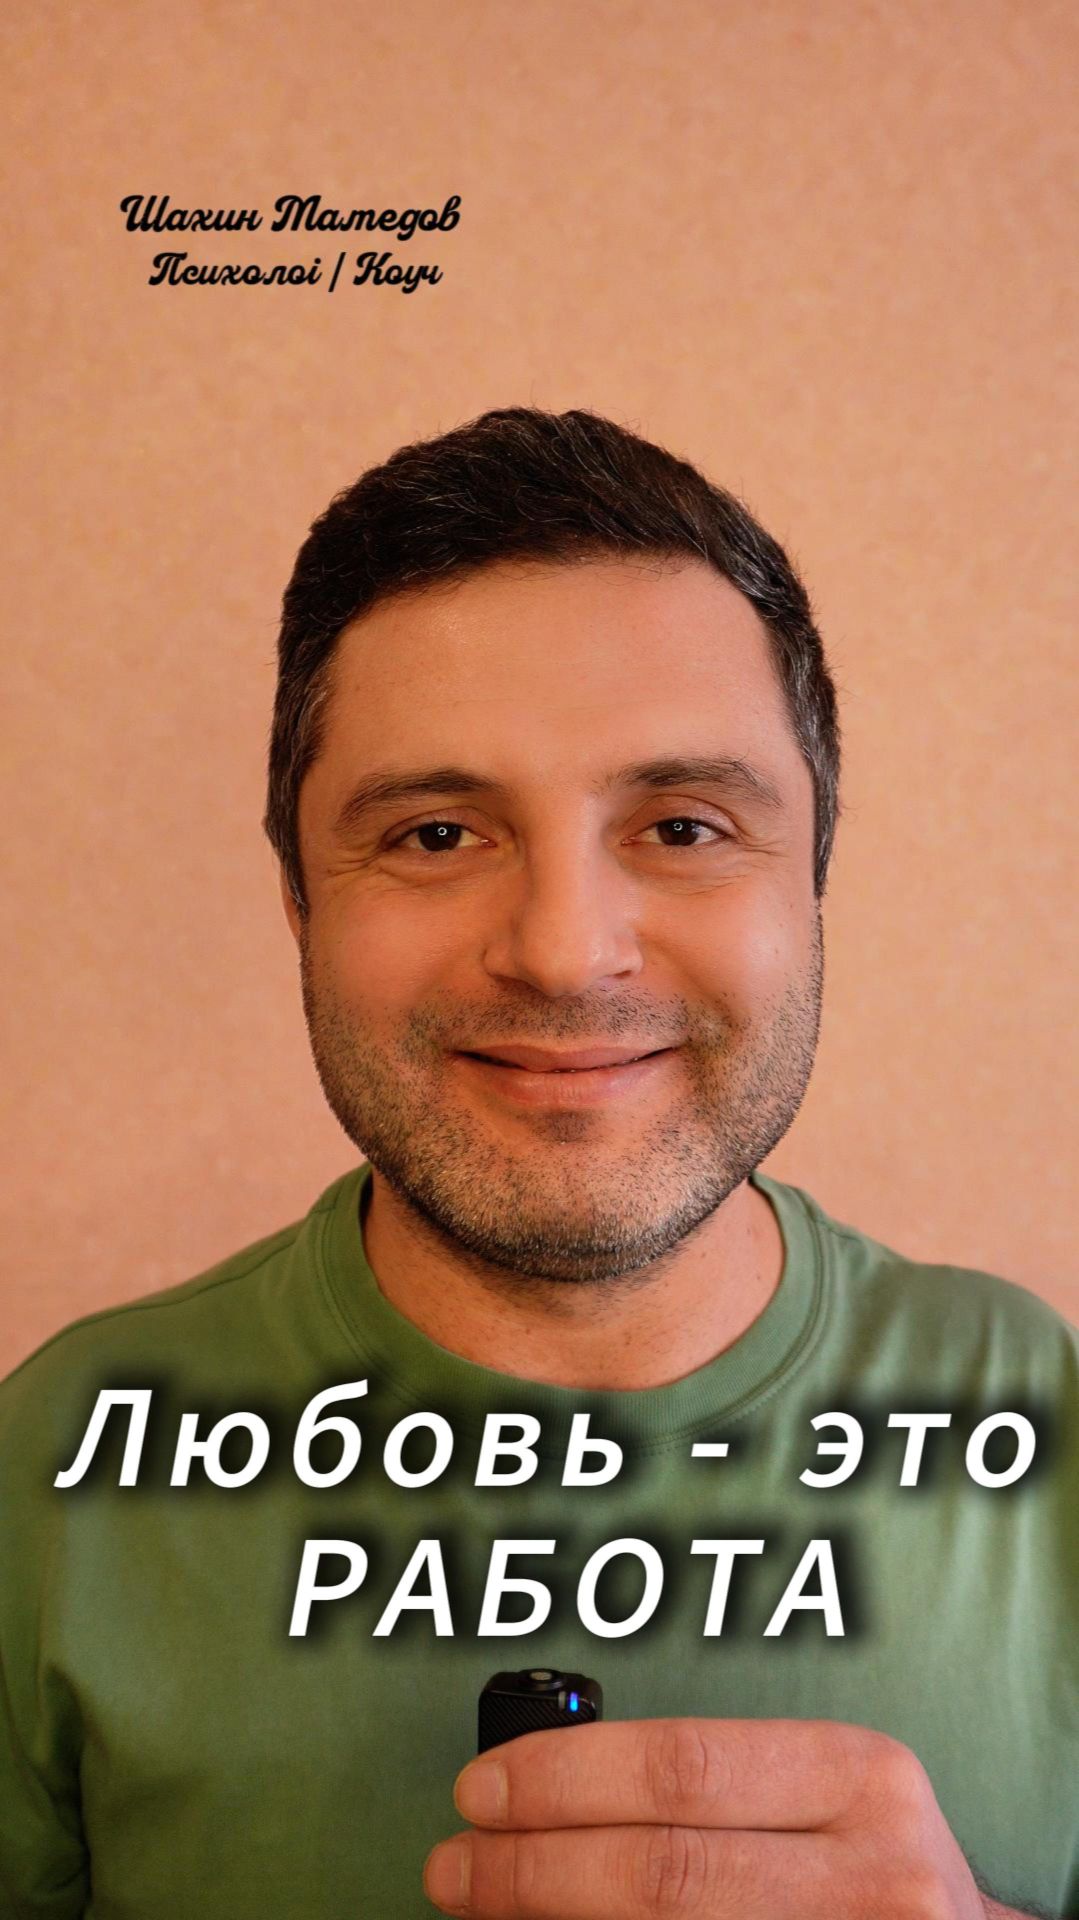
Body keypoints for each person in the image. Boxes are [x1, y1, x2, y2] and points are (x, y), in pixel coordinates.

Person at [0, 408, 1075, 1920]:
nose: (566, 953)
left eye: (683, 825)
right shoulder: (50, 1470)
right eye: (438, 834)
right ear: (300, 900)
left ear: (814, 880)